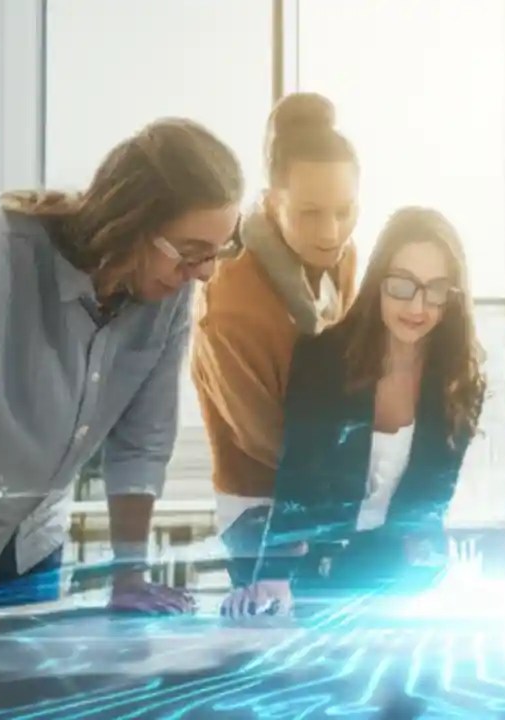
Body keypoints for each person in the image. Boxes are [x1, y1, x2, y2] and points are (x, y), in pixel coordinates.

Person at [0, 118, 243, 635]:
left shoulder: (169, 298)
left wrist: (130, 577)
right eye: (190, 252)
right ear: (131, 221)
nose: (205, 272)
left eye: (217, 252)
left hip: (32, 552)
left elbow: (142, 444)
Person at [223, 207, 485, 618]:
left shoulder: (459, 379)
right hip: (314, 569)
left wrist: (435, 572)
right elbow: (299, 478)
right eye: (402, 285)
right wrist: (273, 572)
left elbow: (432, 501)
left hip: (399, 577)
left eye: (436, 290)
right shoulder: (324, 358)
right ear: (378, 280)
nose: (418, 306)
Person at [191, 92, 359, 588]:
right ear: (271, 201)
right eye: (309, 212)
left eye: (345, 210)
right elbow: (262, 438)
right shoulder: (230, 297)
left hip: (330, 500)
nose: (331, 232)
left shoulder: (343, 258)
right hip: (258, 513)